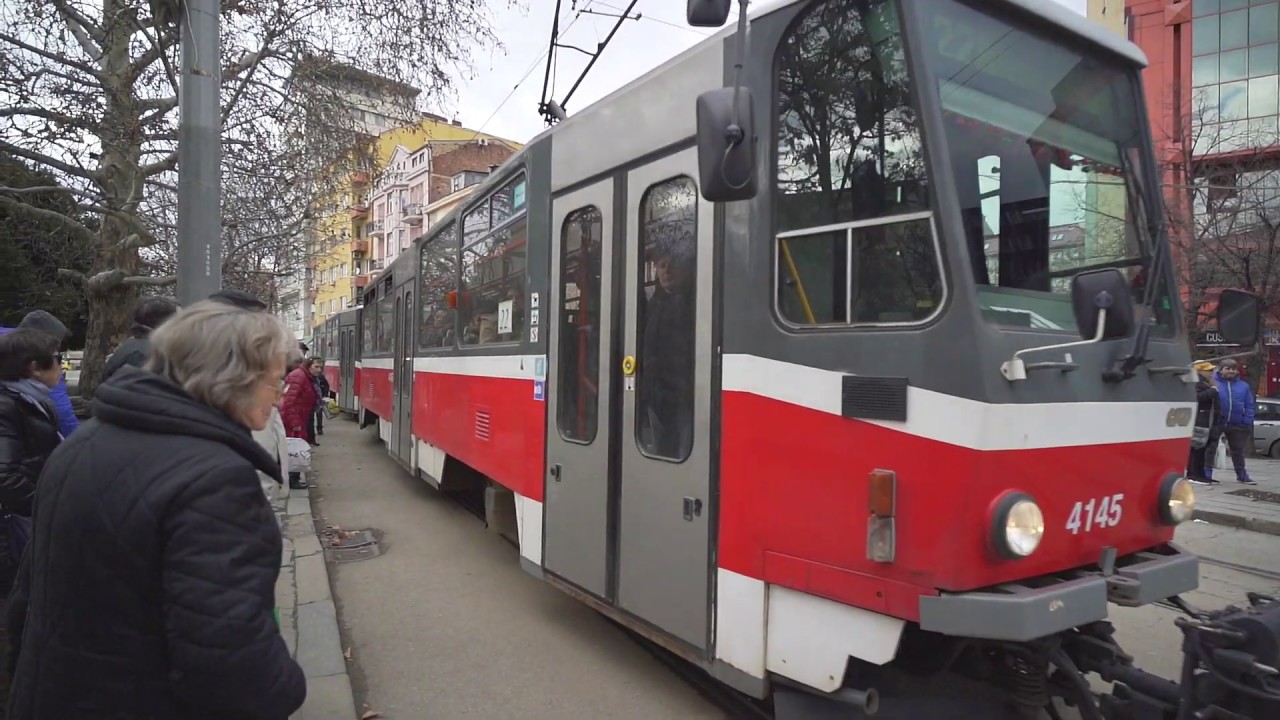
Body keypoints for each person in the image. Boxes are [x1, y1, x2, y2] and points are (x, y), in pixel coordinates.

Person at [5, 301, 307, 720]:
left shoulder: (82, 443)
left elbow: (27, 600)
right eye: (276, 382)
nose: (279, 398)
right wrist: (288, 688)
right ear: (236, 378)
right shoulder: (216, 479)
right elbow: (230, 663)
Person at [0, 330, 64, 709]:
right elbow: (5, 476)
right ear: (34, 369)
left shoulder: (28, 401)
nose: (61, 368)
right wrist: (47, 505)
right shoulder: (10, 405)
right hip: (11, 530)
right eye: (57, 360)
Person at [0, 311, 78, 438]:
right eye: (57, 357)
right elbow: (62, 411)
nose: (60, 366)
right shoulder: (6, 412)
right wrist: (76, 444)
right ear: (35, 367)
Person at [100, 296, 181, 384]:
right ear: (165, 323)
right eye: (180, 320)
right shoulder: (145, 355)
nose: (184, 326)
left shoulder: (136, 346)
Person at [1205, 358, 1257, 485]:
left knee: (1238, 450)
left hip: (1237, 423)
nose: (1231, 371)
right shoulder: (1213, 383)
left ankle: (1242, 475)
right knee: (1210, 448)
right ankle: (1206, 474)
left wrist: (1246, 419)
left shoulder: (1243, 386)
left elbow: (1249, 404)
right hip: (1217, 422)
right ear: (1221, 370)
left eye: (1233, 369)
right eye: (1227, 368)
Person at [280, 357, 317, 490]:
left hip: (299, 417)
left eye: (321, 367)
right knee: (294, 449)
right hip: (295, 419)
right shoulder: (299, 377)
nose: (319, 370)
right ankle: (292, 480)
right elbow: (288, 402)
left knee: (295, 448)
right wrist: (295, 422)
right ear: (308, 365)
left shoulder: (304, 376)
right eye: (316, 367)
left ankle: (293, 478)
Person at [1188, 361, 1220, 485]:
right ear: (1199, 371)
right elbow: (1196, 398)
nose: (1211, 373)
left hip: (1207, 421)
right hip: (1199, 421)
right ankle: (1193, 474)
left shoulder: (1206, 383)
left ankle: (1201, 474)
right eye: (1208, 370)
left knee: (1202, 450)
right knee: (1196, 450)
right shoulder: (1196, 383)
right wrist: (1212, 391)